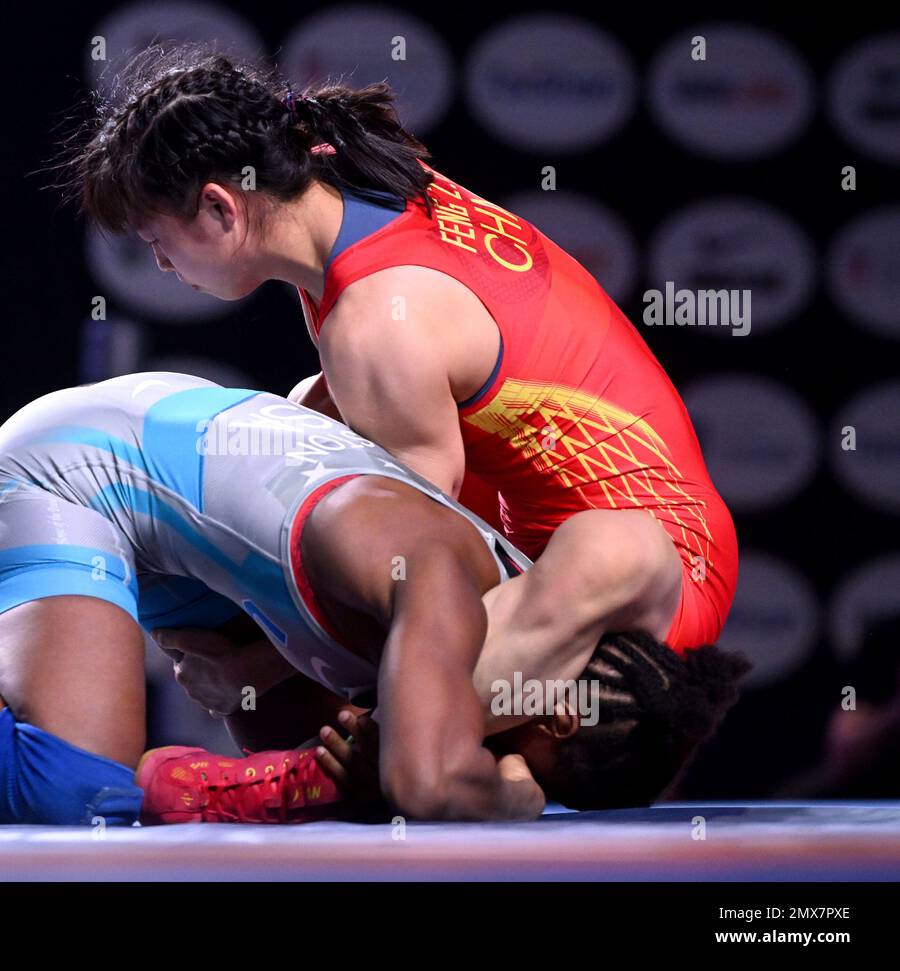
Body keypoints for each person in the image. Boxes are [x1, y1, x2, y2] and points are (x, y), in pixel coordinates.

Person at [0, 373, 748, 824]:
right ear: (555, 709)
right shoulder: (450, 591)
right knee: (80, 792)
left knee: (325, 796)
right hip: (68, 469)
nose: (517, 775)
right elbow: (430, 778)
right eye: (539, 768)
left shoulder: (475, 619)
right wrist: (499, 795)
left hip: (191, 504)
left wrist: (258, 674)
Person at [58, 44, 740, 720]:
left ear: (219, 208)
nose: (164, 265)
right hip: (565, 536)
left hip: (653, 592)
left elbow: (417, 578)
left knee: (369, 573)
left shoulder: (377, 321)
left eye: (158, 241)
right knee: (307, 420)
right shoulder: (345, 178)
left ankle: (353, 763)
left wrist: (256, 668)